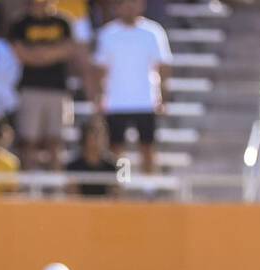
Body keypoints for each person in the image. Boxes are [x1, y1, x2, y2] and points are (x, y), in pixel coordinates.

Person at [91, 0, 172, 175]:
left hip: (145, 101)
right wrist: (99, 98)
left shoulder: (153, 32)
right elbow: (100, 71)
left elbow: (163, 67)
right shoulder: (108, 33)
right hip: (116, 102)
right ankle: (122, 183)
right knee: (117, 148)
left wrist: (163, 97)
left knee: (147, 146)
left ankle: (148, 188)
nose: (130, 7)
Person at [10, 0, 77, 170]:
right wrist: (50, 54)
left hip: (57, 90)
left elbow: (68, 50)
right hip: (30, 88)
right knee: (28, 140)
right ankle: (28, 187)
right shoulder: (20, 23)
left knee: (55, 140)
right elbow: (20, 53)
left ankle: (55, 187)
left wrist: (38, 55)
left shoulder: (63, 22)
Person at [65, 118, 119, 197]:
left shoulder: (112, 166)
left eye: (102, 133)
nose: (99, 137)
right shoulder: (73, 166)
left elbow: (115, 196)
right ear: (85, 136)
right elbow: (73, 196)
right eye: (94, 132)